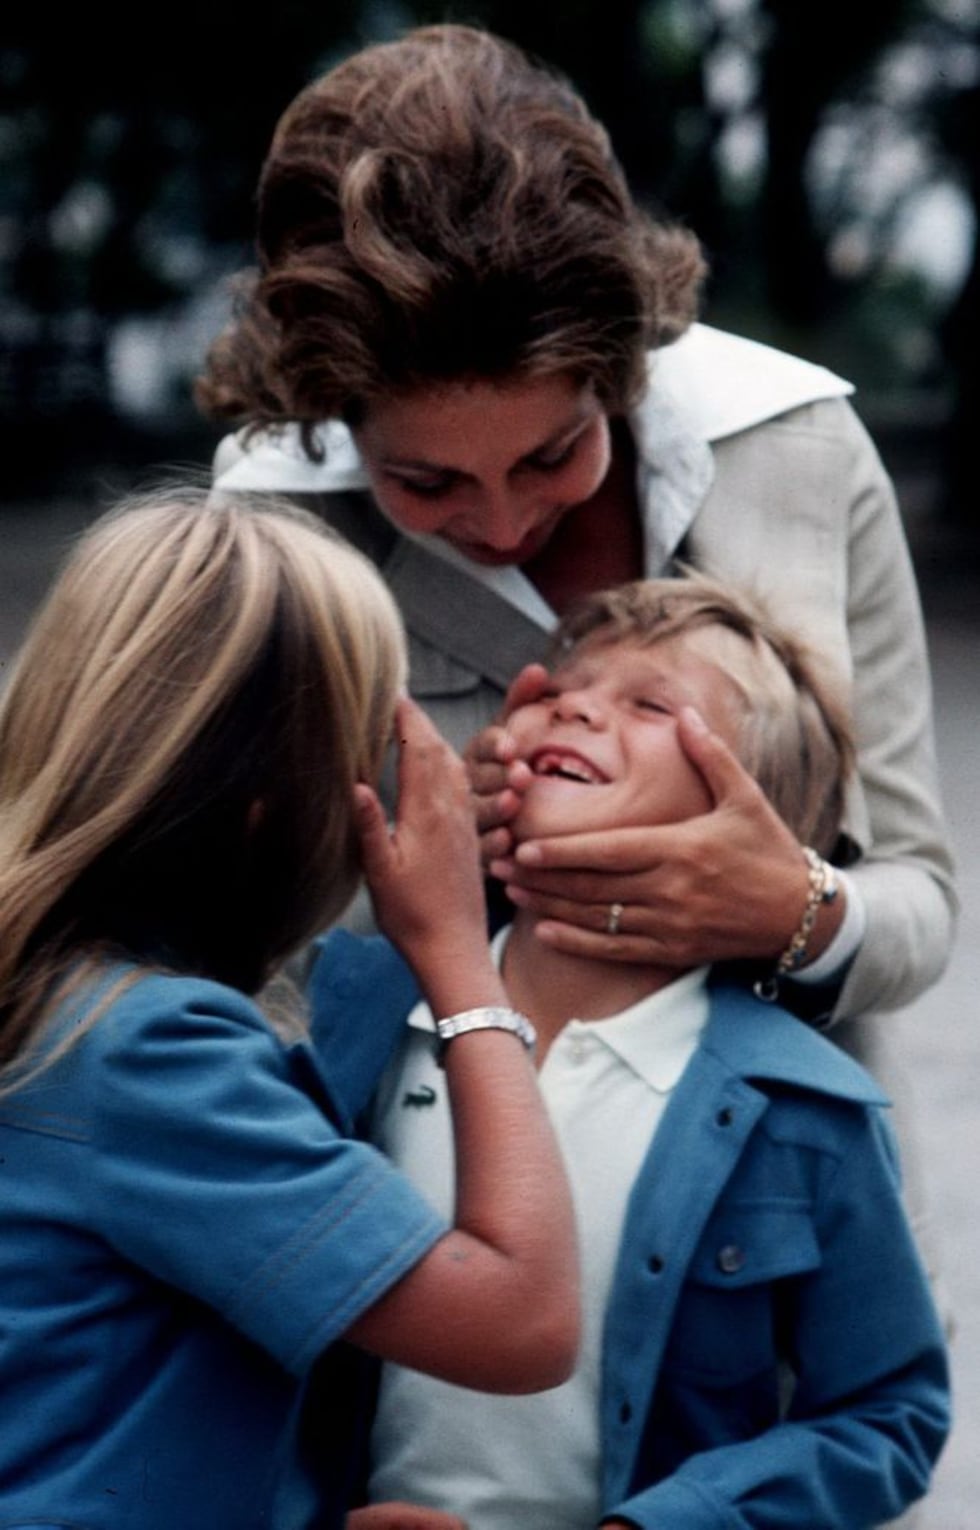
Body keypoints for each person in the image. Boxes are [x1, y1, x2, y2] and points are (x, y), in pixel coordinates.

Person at [198, 23, 956, 1066]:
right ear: (332, 417)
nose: (504, 525)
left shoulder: (797, 449)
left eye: (554, 453)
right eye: (425, 483)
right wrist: (403, 882)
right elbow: (210, 948)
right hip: (417, 1195)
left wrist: (799, 911)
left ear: (621, 367)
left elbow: (917, 894)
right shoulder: (266, 533)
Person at [309, 571, 951, 1530]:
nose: (578, 710)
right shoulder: (346, 1020)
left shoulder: (806, 1113)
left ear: (748, 821)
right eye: (561, 695)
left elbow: (886, 1416)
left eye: (651, 705)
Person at [0, 488, 579, 1529]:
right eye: (376, 749)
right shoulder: (149, 1050)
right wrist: (457, 957)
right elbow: (520, 1322)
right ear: (278, 807)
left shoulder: (49, 995)